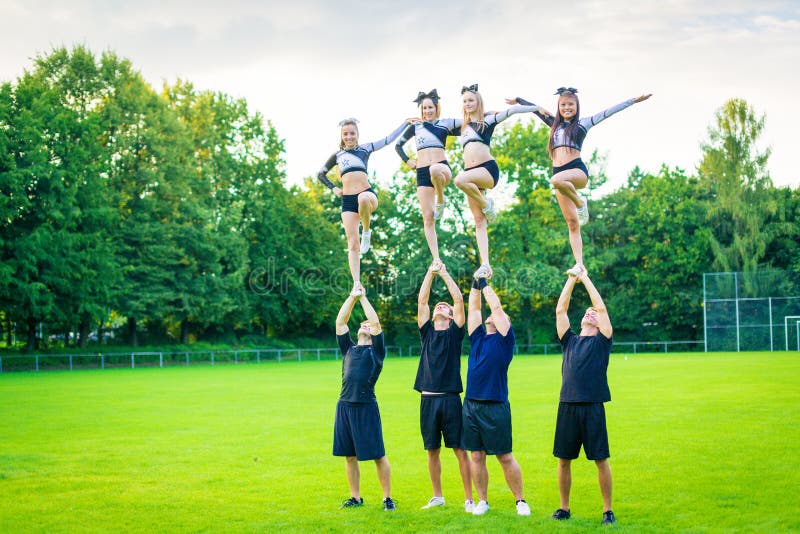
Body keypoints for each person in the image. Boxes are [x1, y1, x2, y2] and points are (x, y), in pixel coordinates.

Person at [507, 88, 652, 276]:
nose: (567, 108)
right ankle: (579, 265)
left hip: (576, 171)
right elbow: (537, 109)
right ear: (559, 107)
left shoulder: (583, 124)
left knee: (555, 180)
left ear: (577, 106)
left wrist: (633, 100)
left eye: (570, 104)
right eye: (563, 105)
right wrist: (519, 100)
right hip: (560, 176)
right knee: (572, 223)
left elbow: (609, 111)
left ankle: (580, 202)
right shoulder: (554, 125)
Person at [318, 117, 414, 293]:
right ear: (341, 136)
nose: (349, 137)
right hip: (347, 201)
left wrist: (405, 123)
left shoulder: (365, 148)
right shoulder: (338, 155)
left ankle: (367, 231)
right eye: (345, 134)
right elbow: (321, 174)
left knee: (362, 198)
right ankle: (356, 283)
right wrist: (334, 188)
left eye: (352, 133)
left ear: (357, 134)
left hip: (368, 195)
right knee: (352, 244)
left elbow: (387, 140)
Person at [461, 271, 530, 516]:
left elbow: (496, 308)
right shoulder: (478, 338)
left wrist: (485, 284)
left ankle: (520, 501)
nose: (491, 316)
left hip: (496, 405)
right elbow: (474, 310)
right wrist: (474, 286)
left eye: (498, 317)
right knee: (476, 456)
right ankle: (483, 501)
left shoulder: (504, 339)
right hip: (470, 405)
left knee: (504, 456)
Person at [455, 84, 538, 280]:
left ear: (478, 102)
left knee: (458, 180)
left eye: (471, 100)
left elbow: (511, 111)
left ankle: (487, 204)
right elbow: (436, 126)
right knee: (478, 221)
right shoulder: (462, 127)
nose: (468, 104)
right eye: (465, 101)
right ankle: (485, 265)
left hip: (487, 170)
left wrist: (535, 108)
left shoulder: (488, 120)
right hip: (471, 174)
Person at [552, 271, 616, 525]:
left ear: (600, 322)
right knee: (564, 460)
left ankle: (607, 511)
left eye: (594, 314)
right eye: (587, 312)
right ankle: (564, 508)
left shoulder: (603, 341)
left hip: (592, 407)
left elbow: (600, 306)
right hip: (567, 406)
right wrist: (571, 279)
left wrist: (585, 278)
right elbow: (560, 311)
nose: (591, 313)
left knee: (601, 460)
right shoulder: (569, 341)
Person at [414, 259, 474, 512]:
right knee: (432, 451)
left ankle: (469, 499)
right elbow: (422, 302)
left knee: (460, 450)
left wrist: (445, 272)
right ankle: (437, 496)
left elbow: (459, 300)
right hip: (428, 400)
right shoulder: (426, 331)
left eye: (445, 307)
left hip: (450, 399)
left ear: (450, 316)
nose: (441, 306)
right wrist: (430, 272)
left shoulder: (454, 333)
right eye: (439, 306)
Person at [333, 289, 395, 511]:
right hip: (344, 406)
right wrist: (351, 296)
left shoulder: (377, 352)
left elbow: (376, 323)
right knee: (350, 456)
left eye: (368, 325)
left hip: (366, 407)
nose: (366, 325)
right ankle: (355, 498)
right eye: (363, 324)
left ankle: (387, 498)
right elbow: (341, 322)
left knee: (378, 455)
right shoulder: (348, 348)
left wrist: (363, 297)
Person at [395, 90, 462, 266]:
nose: (427, 111)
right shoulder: (416, 127)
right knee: (428, 217)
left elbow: (470, 123)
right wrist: (408, 160)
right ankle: (437, 259)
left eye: (430, 107)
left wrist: (487, 114)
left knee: (435, 169)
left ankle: (441, 198)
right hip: (422, 172)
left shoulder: (445, 123)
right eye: (424, 108)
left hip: (441, 169)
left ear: (436, 107)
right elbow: (398, 145)